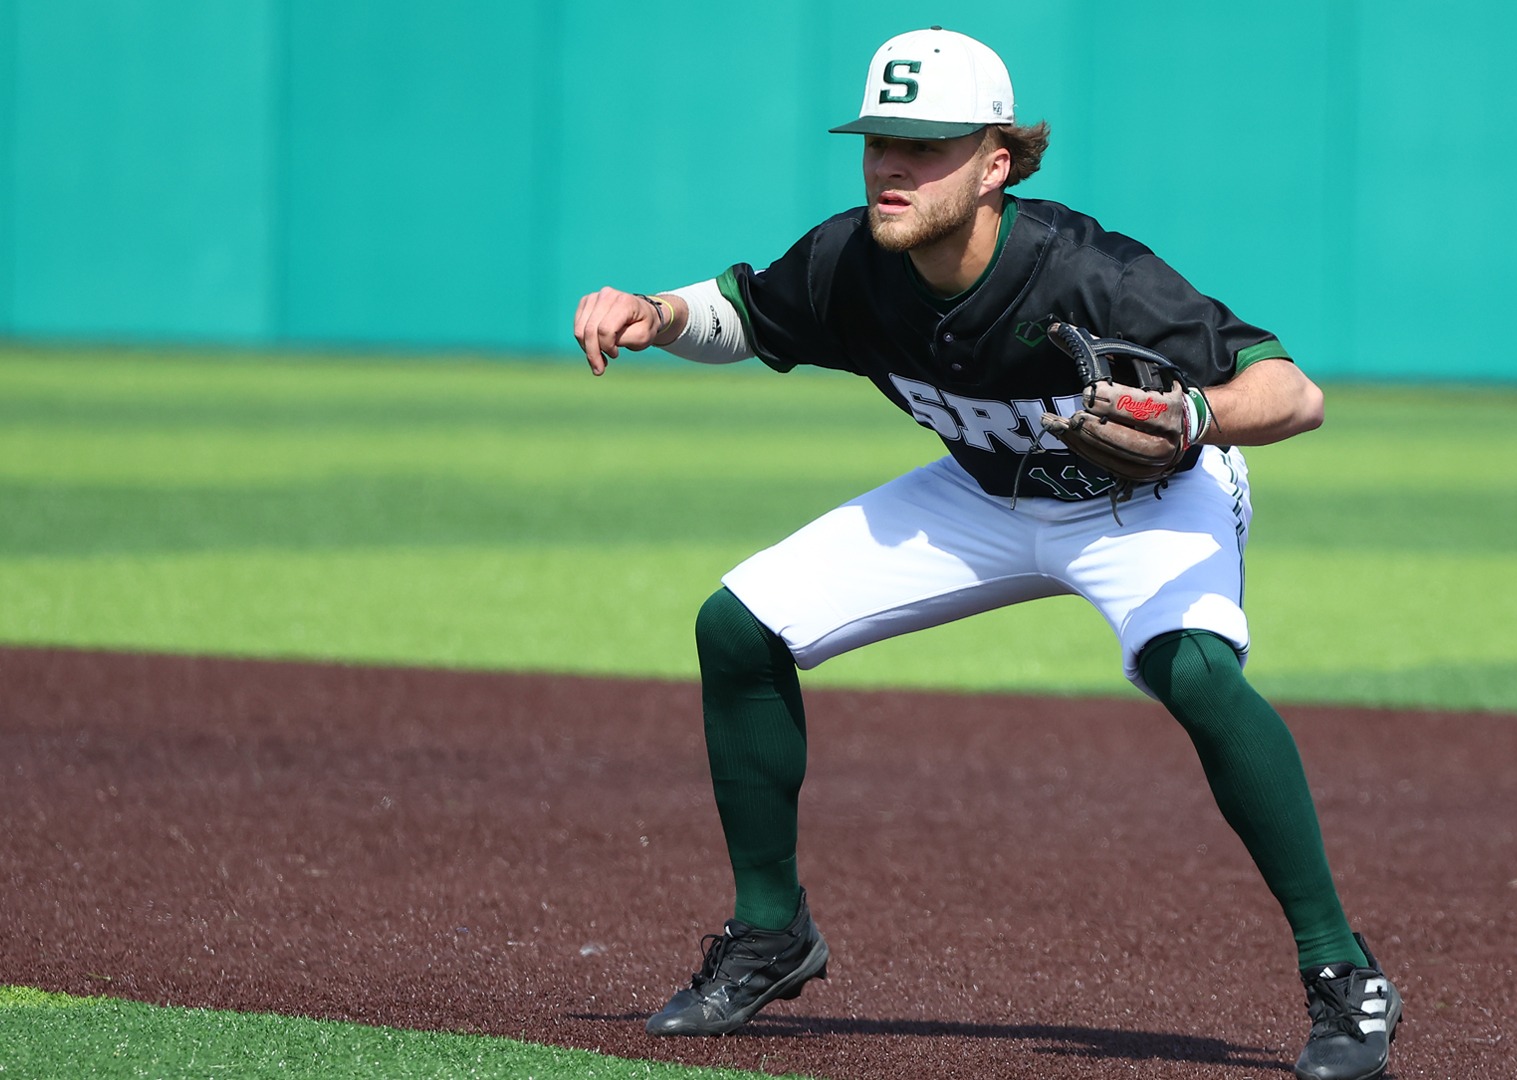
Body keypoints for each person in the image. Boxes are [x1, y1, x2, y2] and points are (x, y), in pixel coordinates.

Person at [571, 27, 1402, 1080]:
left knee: (1191, 669)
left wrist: (1194, 413)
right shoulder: (853, 262)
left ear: (998, 161)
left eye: (926, 145)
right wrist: (656, 312)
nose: (892, 166)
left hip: (1143, 501)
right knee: (739, 625)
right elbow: (743, 313)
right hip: (984, 493)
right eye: (880, 141)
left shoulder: (1089, 273)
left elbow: (1296, 395)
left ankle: (1344, 976)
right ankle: (772, 933)